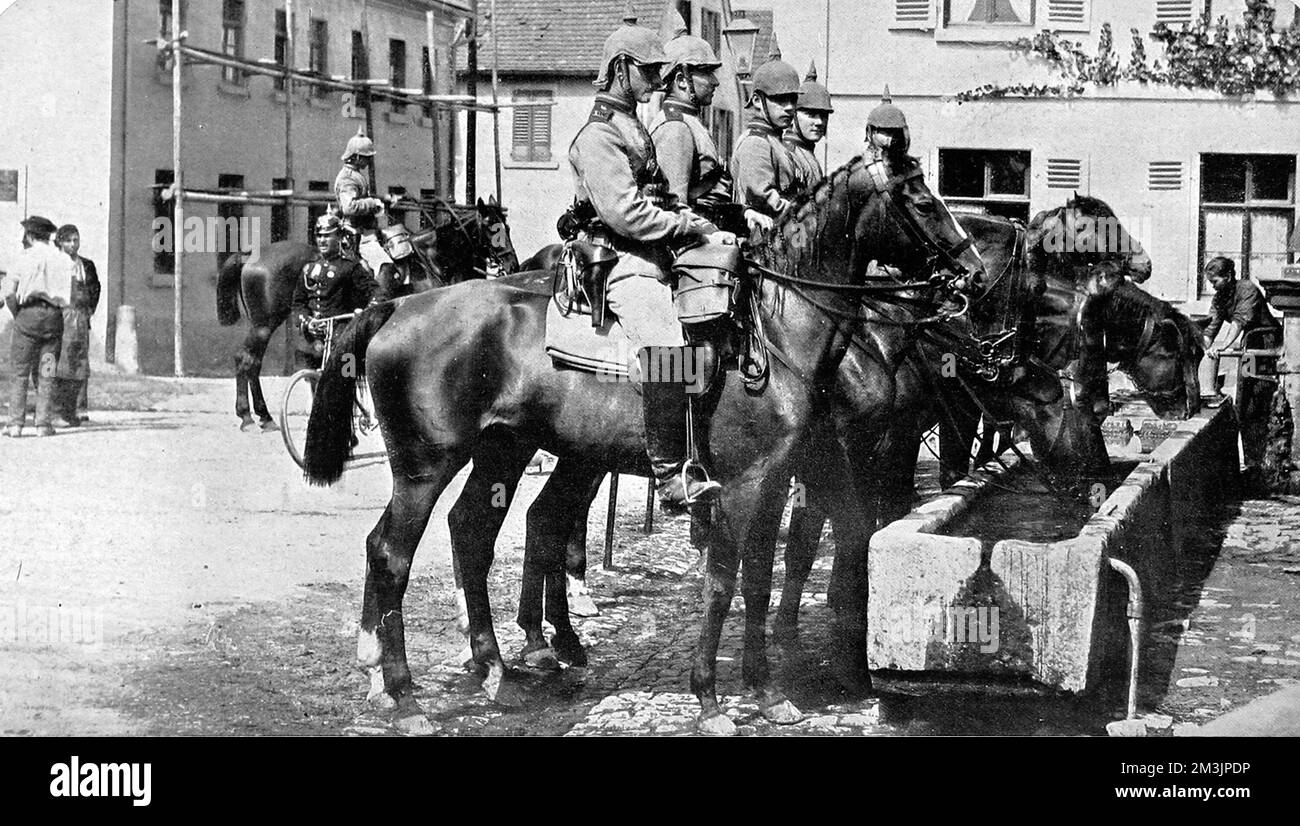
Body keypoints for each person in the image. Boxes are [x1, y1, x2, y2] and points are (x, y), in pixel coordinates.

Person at [568, 5, 730, 508]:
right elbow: (626, 215)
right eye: (650, 70)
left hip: (651, 251)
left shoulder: (631, 125)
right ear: (621, 69)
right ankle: (668, 474)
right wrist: (683, 223)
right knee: (666, 346)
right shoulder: (599, 134)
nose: (659, 80)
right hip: (620, 257)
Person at [1202, 256, 1282, 487]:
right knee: (1244, 402)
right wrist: (1205, 346)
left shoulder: (1247, 289)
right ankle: (1252, 463)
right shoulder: (1220, 297)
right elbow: (1211, 326)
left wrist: (1224, 346)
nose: (1212, 286)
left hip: (1265, 342)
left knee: (1258, 399)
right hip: (1249, 346)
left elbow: (1238, 323)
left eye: (1215, 281)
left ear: (1228, 276)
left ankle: (1262, 465)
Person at [649, 18, 733, 224]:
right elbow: (676, 208)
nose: (715, 81)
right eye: (705, 72)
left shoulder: (690, 121)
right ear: (681, 80)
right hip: (696, 239)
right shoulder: (675, 127)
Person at [3, 216, 72, 437]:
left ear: (30, 236)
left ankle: (15, 424)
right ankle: (43, 424)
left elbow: (8, 293)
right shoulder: (63, 259)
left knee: (20, 371)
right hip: (54, 319)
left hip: (28, 316)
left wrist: (18, 315)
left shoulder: (23, 257)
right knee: (47, 371)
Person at [291, 213, 379, 372]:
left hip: (343, 339)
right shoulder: (308, 269)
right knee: (315, 385)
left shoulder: (351, 268)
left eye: (327, 236)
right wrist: (308, 322)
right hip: (313, 339)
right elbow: (298, 304)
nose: (322, 240)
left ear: (339, 237)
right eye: (319, 236)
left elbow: (376, 293)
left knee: (347, 381)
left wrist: (364, 314)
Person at [730, 48, 802, 234]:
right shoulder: (756, 142)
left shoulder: (773, 140)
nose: (789, 108)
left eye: (793, 100)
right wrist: (807, 212)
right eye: (780, 100)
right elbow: (764, 199)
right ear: (756, 100)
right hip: (760, 240)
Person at [333, 128, 393, 293]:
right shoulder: (347, 178)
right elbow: (349, 206)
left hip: (366, 230)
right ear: (357, 156)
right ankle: (377, 305)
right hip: (358, 235)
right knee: (385, 266)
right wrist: (373, 203)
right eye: (366, 157)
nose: (368, 161)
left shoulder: (355, 174)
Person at [52, 224, 101, 425]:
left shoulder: (86, 265)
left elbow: (95, 288)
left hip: (81, 318)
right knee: (62, 364)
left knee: (81, 363)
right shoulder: (56, 263)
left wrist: (90, 310)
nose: (73, 244)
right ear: (61, 243)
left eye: (76, 240)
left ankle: (80, 408)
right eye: (69, 240)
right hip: (62, 319)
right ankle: (61, 409)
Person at [783, 62, 833, 191]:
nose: (819, 122)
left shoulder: (807, 154)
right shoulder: (787, 154)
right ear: (793, 114)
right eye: (811, 114)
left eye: (823, 115)